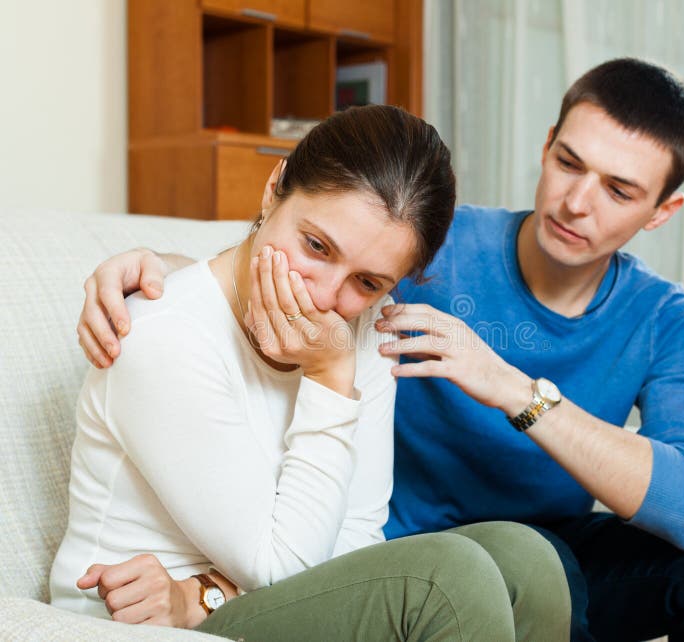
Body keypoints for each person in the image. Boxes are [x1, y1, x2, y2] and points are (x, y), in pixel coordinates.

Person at [76, 59, 684, 641]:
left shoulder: (665, 319)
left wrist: (516, 390)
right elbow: (296, 243)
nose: (578, 202)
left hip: (534, 552)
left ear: (661, 211)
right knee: (487, 569)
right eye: (570, 163)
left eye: (618, 189)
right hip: (409, 552)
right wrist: (154, 267)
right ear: (545, 146)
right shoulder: (431, 249)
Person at [52, 104, 571, 641]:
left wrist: (205, 592)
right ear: (274, 187)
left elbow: (357, 538)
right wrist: (328, 374)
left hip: (214, 602)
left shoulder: (364, 326)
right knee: (448, 579)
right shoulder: (166, 336)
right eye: (316, 246)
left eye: (367, 282)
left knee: (526, 560)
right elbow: (279, 567)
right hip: (134, 625)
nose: (325, 298)